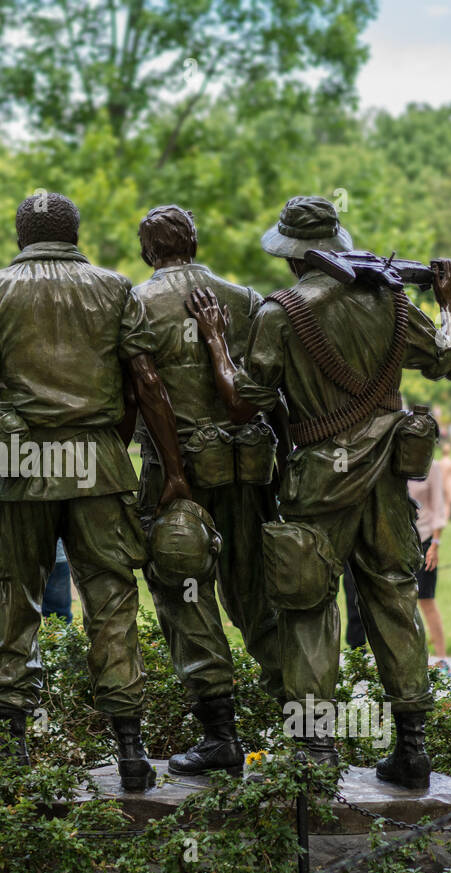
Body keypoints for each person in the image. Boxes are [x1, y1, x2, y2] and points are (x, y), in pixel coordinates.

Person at [0, 190, 190, 792]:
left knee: (16, 603)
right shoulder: (116, 289)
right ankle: (132, 750)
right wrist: (172, 468)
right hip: (99, 467)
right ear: (74, 233)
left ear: (21, 236)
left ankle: (11, 752)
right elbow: (147, 383)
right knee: (112, 603)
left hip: (21, 465)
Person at [228, 195, 451, 788]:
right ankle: (412, 750)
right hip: (387, 478)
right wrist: (449, 307)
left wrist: (215, 345)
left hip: (318, 483)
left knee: (308, 607)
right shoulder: (391, 299)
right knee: (394, 597)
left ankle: (313, 754)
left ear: (291, 257)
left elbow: (247, 396)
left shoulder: (279, 312)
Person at [126, 204, 284, 778]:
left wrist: (162, 470)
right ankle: (307, 730)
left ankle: (221, 735)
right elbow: (268, 388)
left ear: (149, 252)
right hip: (248, 473)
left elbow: (140, 393)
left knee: (186, 595)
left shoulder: (135, 303)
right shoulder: (244, 298)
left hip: (178, 478)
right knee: (260, 594)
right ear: (193, 242)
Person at [0, 442, 73, 624]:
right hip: (56, 552)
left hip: (10, 553)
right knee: (59, 630)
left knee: (9, 629)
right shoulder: (59, 436)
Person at [409, 458, 449, 674]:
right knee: (403, 604)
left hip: (425, 540)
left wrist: (435, 544)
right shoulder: (392, 459)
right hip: (399, 543)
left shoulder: (431, 466)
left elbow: (439, 507)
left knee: (426, 600)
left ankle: (442, 660)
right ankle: (411, 660)